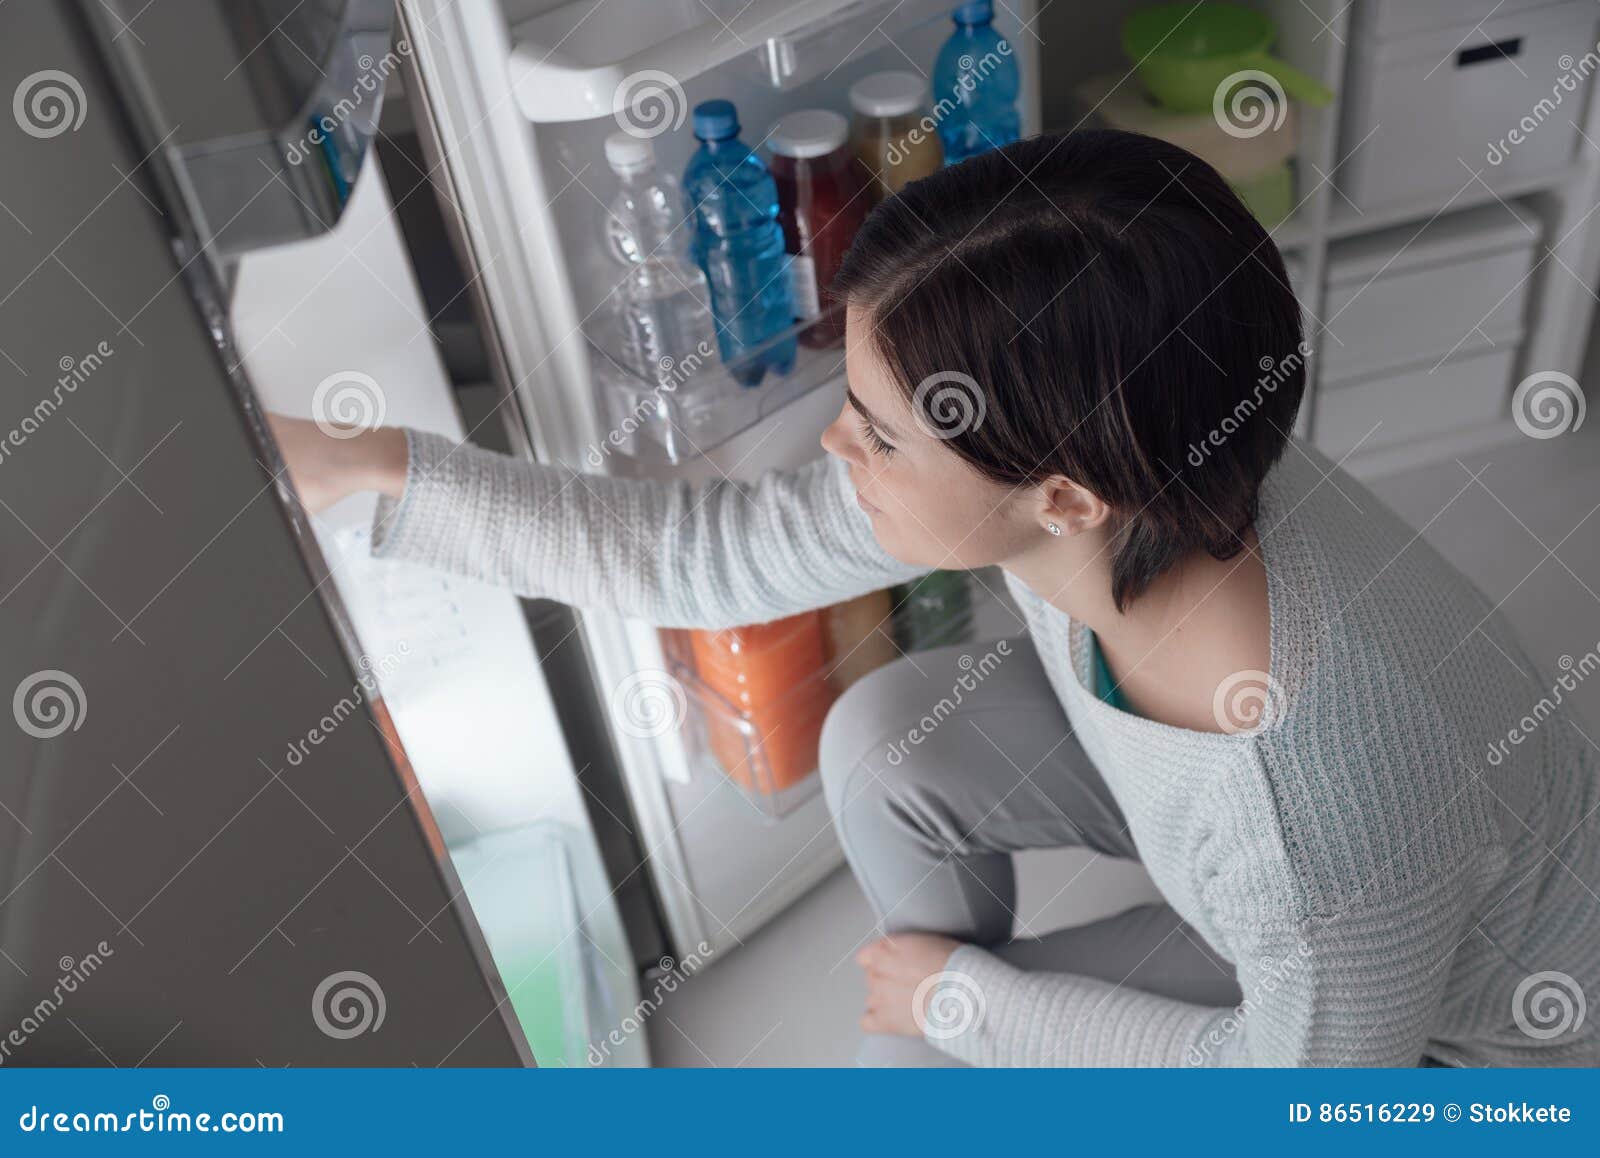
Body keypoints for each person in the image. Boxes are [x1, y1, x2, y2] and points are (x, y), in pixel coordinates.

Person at [271, 130, 1599, 1067]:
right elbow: (700, 553)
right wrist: (361, 466)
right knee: (887, 734)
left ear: (1067, 496)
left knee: (952, 1031)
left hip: (1437, 1042)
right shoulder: (1162, 447)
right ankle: (925, 1028)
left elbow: (1300, 1095)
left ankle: (926, 1037)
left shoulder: (1323, 817)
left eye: (881, 431)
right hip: (1296, 899)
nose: (839, 452)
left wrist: (971, 1004)